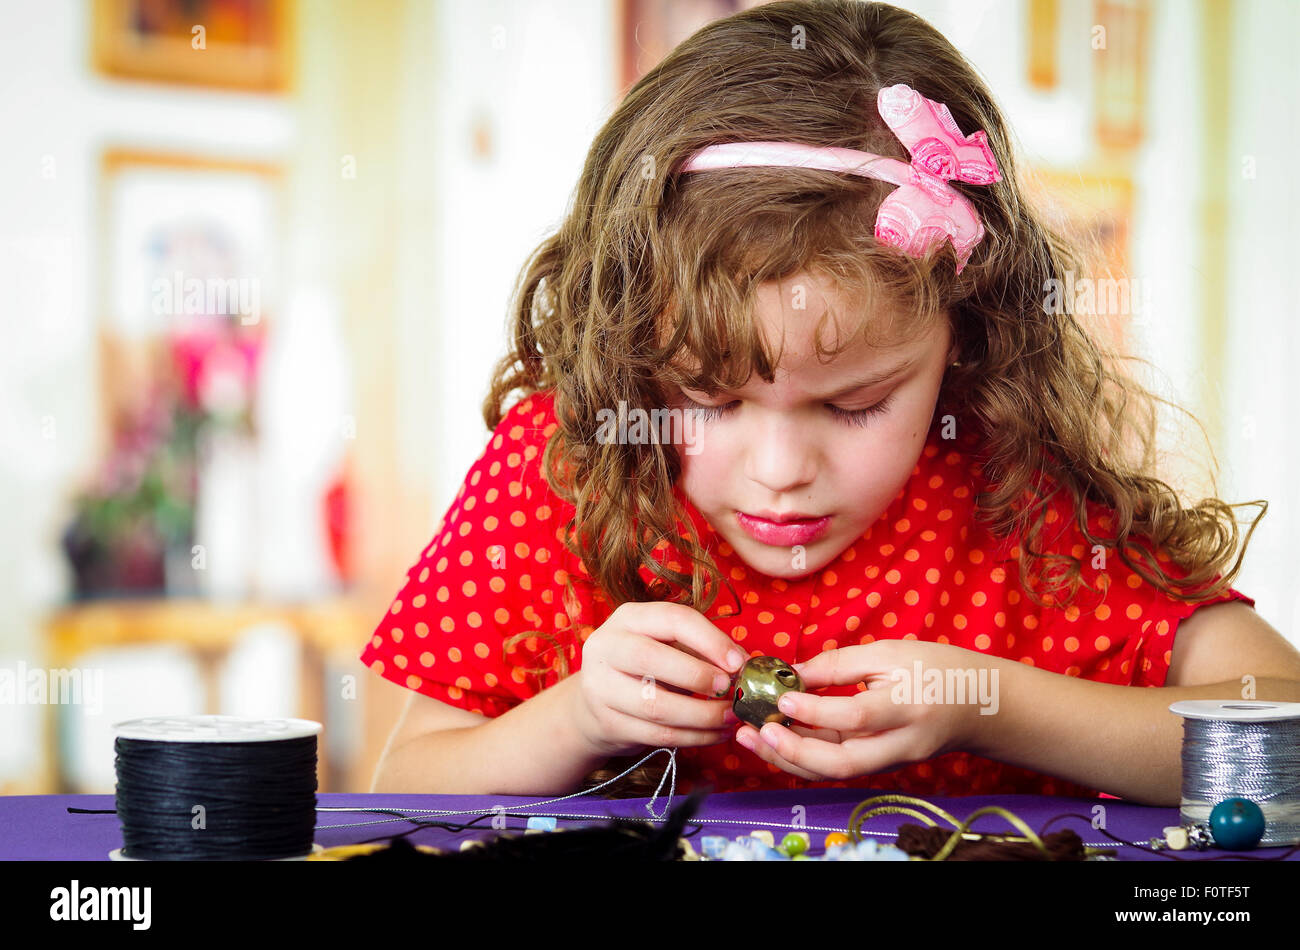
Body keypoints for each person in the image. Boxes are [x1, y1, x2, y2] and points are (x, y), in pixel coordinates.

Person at [360, 0, 1300, 804]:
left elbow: (1283, 733)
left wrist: (990, 701)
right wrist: (578, 716)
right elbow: (390, 773)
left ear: (965, 343)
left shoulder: (1005, 482)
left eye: (854, 407)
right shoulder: (564, 468)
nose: (779, 473)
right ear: (628, 348)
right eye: (707, 399)